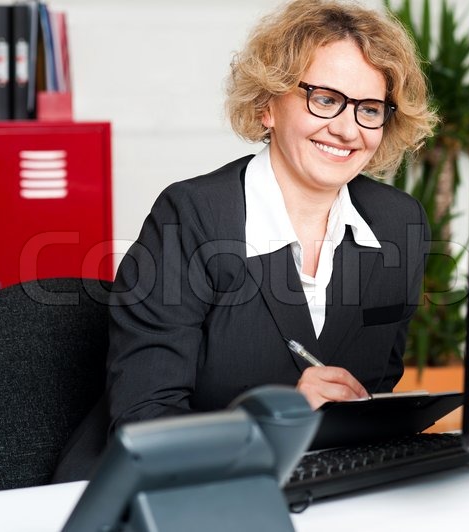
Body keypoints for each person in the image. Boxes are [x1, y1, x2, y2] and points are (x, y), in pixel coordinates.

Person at [53, 0, 436, 482]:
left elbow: (377, 386)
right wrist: (279, 417)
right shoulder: (190, 216)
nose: (346, 128)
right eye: (324, 99)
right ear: (267, 105)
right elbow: (144, 422)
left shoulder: (398, 222)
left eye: (369, 109)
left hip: (312, 485)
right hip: (158, 491)